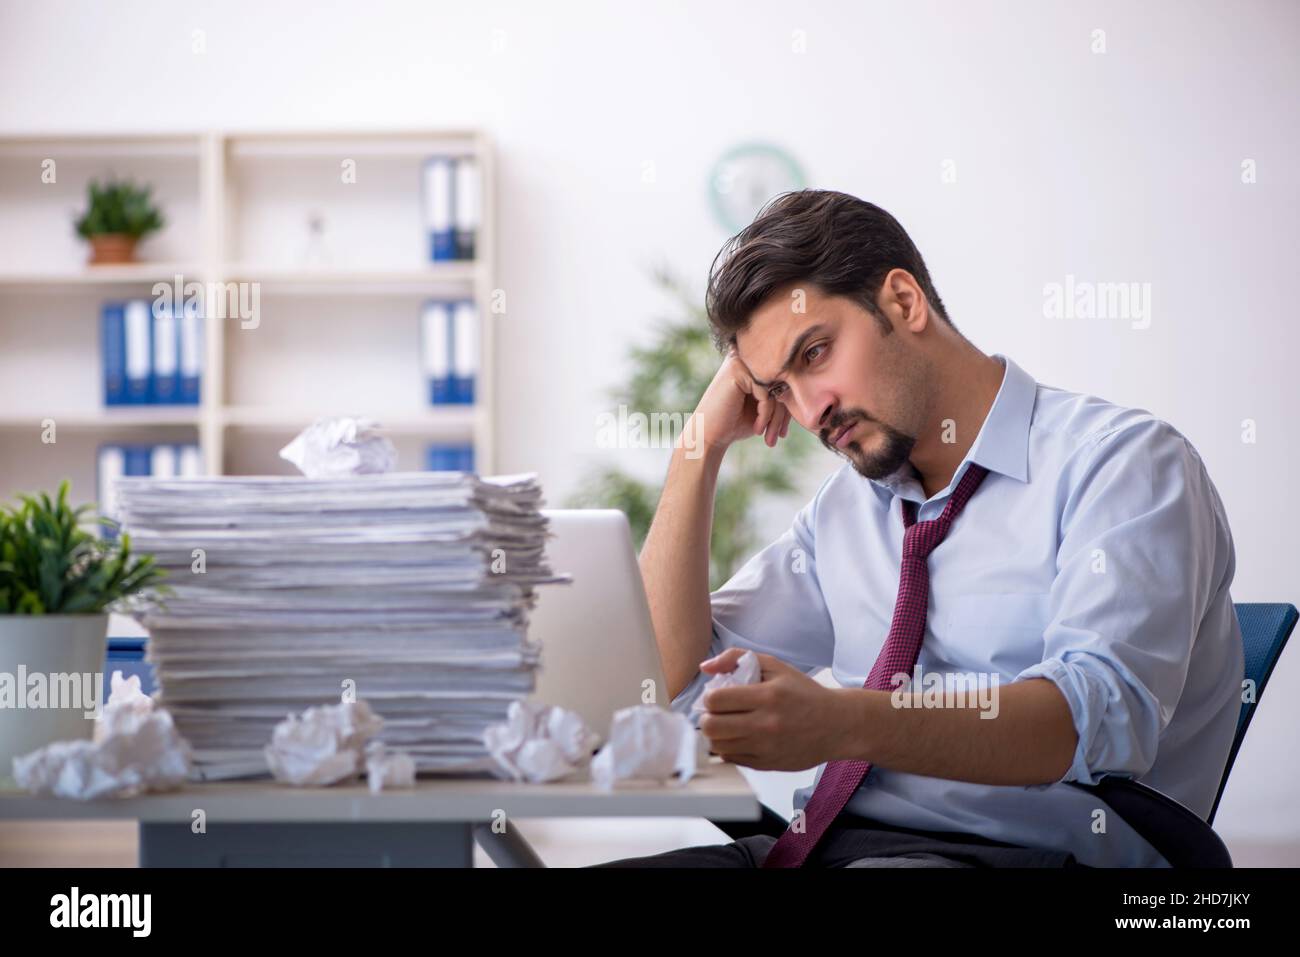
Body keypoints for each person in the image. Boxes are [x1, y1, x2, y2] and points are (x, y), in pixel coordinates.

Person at [591, 190, 1242, 868]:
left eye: (814, 353)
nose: (811, 411)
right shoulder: (847, 510)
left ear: (903, 301)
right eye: (779, 388)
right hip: (825, 848)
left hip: (1031, 854)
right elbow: (672, 678)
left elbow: (1093, 720)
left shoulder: (1122, 463)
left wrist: (841, 720)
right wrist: (695, 451)